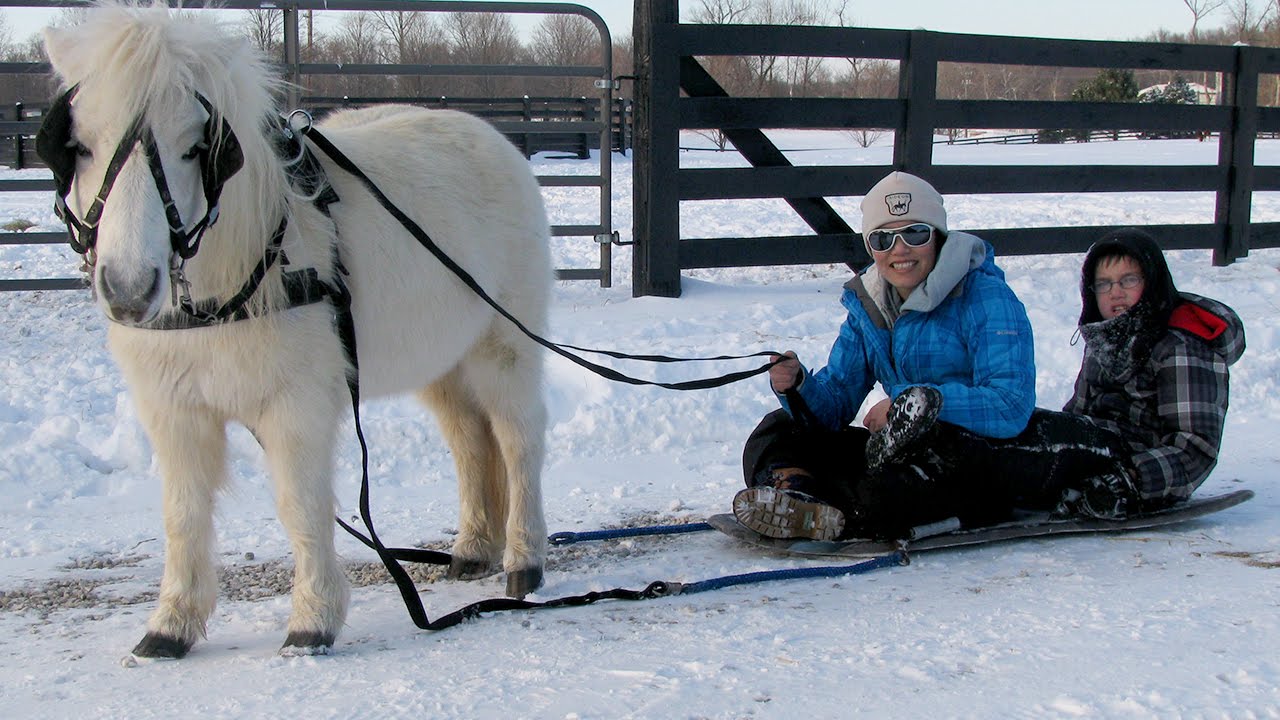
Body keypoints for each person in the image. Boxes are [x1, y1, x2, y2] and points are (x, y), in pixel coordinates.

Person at [734, 171, 1037, 541]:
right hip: (895, 448)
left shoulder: (986, 297)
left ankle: (839, 508)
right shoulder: (870, 305)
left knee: (893, 488)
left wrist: (907, 406)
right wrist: (797, 385)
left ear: (938, 237)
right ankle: (794, 492)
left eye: (915, 233)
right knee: (777, 430)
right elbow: (837, 403)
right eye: (883, 238)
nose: (899, 249)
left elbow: (1010, 405)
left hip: (967, 451)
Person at [1047, 228, 1245, 518]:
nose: (1115, 291)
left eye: (1128, 280)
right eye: (1103, 284)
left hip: (1135, 467)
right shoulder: (1104, 337)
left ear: (1152, 283)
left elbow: (1195, 447)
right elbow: (1077, 414)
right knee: (1020, 435)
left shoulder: (1181, 347)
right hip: (1092, 448)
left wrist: (1130, 479)